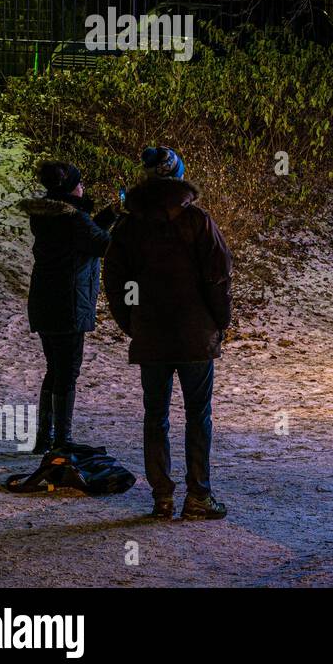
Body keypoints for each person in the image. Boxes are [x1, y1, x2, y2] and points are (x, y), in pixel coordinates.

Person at [104, 146, 233, 521]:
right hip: (195, 334)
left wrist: (132, 320)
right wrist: (218, 321)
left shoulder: (129, 227)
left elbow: (118, 281)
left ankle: (161, 497)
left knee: (155, 415)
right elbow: (218, 276)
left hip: (152, 335)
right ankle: (199, 495)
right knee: (198, 415)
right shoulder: (197, 221)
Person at [19, 162, 119, 453]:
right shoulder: (74, 220)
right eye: (79, 182)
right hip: (69, 305)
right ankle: (62, 439)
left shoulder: (50, 217)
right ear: (70, 188)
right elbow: (103, 245)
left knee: (54, 370)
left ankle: (45, 437)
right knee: (67, 372)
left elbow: (86, 235)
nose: (82, 187)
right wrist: (125, 224)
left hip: (45, 303)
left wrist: (110, 214)